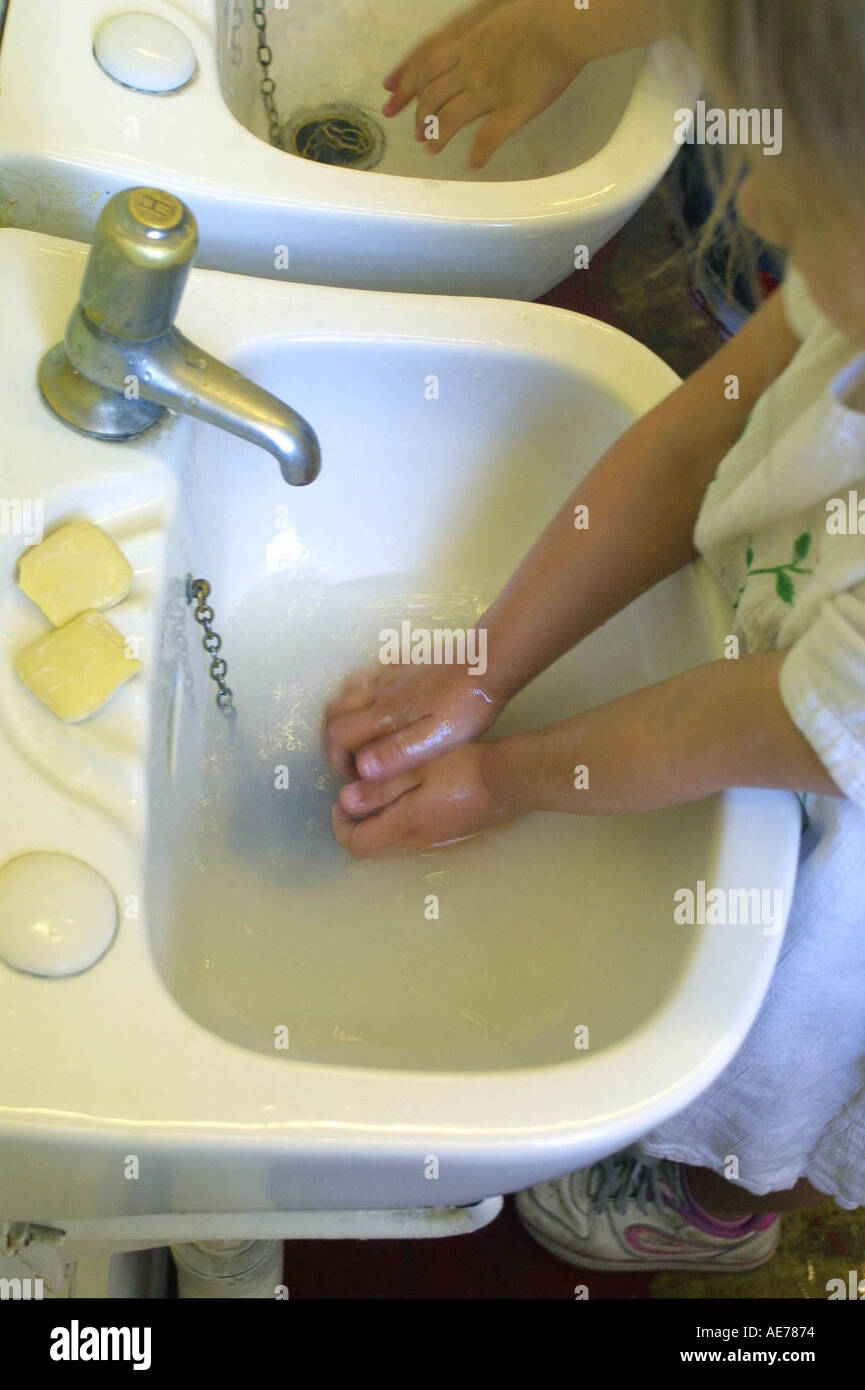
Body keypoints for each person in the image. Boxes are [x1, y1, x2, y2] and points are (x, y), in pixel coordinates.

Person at [322, 0, 865, 1270]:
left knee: (792, 1027)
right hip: (795, 673)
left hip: (840, 825)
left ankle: (721, 1204)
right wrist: (481, 665)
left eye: (788, 181)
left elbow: (732, 720)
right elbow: (708, 425)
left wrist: (500, 776)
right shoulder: (851, 272)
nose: (758, 213)